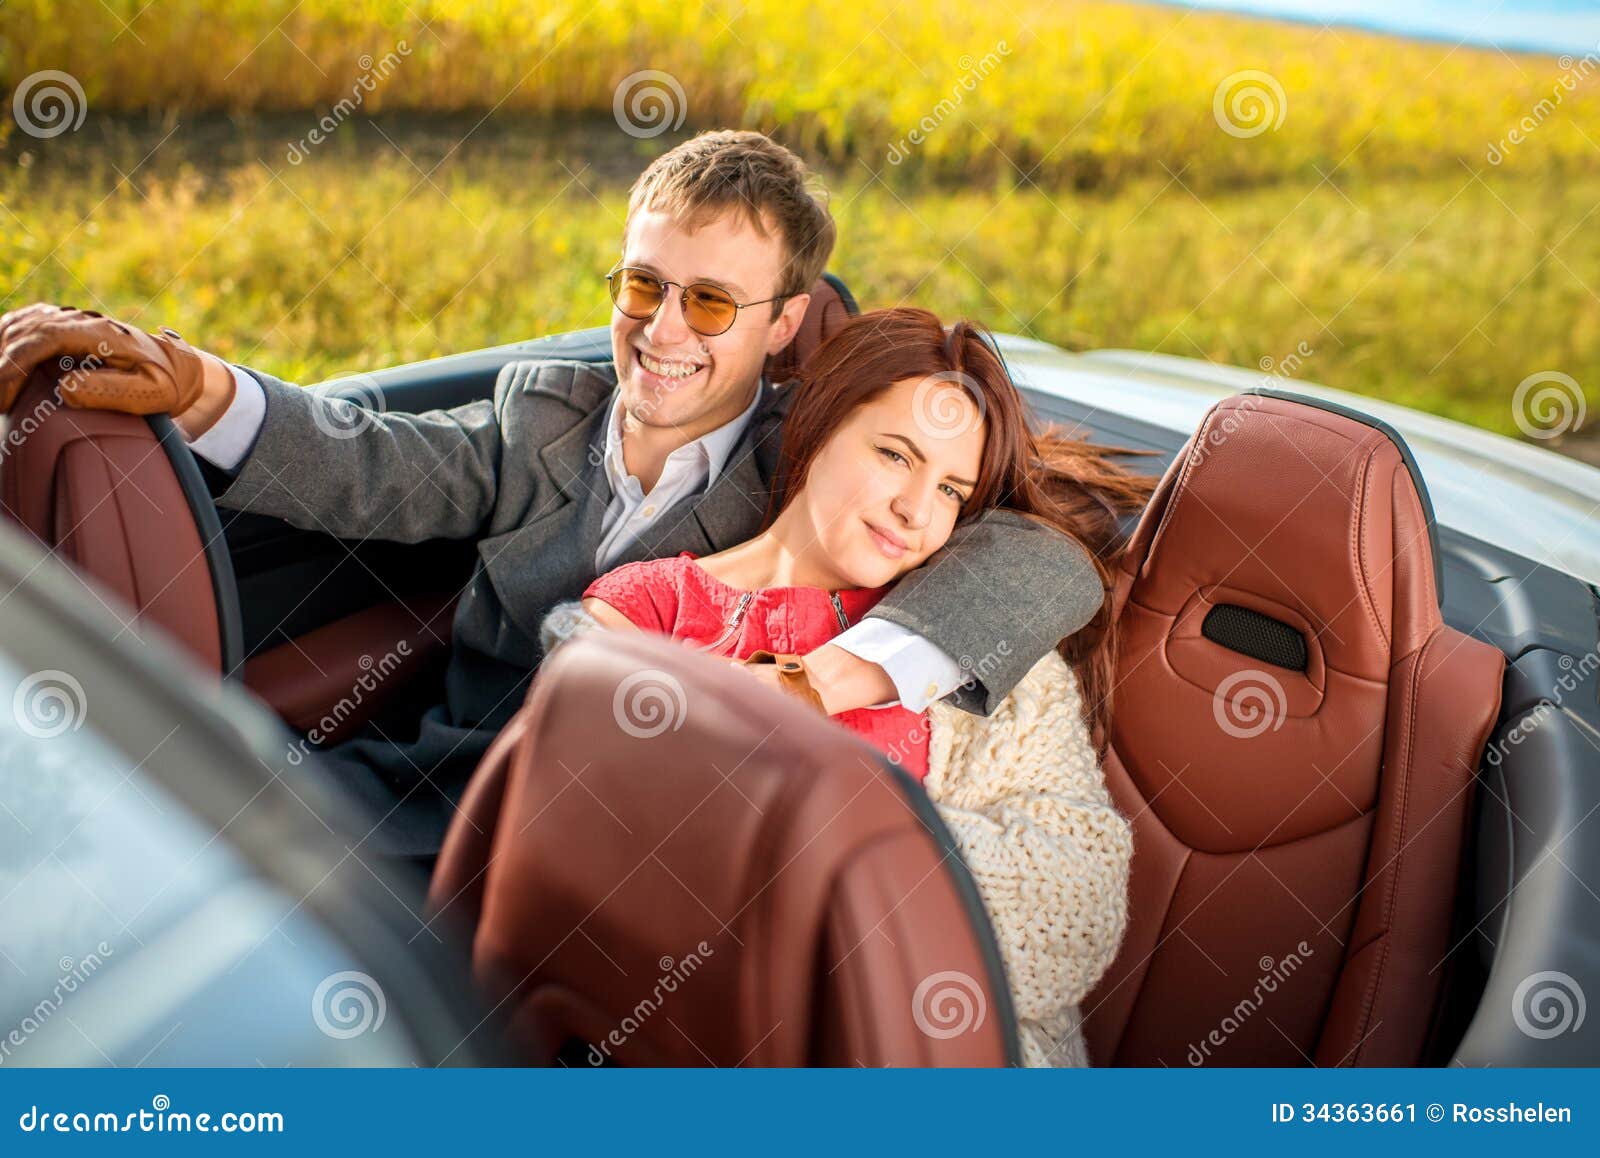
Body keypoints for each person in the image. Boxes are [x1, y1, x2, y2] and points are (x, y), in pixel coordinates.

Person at [0, 130, 1103, 868]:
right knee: (144, 843)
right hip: (427, 784)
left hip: (611, 847)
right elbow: (370, 461)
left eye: (712, 304)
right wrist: (198, 384)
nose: (662, 332)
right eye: (643, 286)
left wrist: (840, 675)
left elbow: (1043, 557)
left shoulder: (812, 476)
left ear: (780, 327)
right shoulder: (546, 419)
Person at [541, 306, 1155, 1066]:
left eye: (953, 491)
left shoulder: (975, 637)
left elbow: (1076, 905)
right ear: (819, 427)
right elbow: (596, 852)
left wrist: (820, 848)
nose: (916, 509)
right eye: (896, 455)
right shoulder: (647, 608)